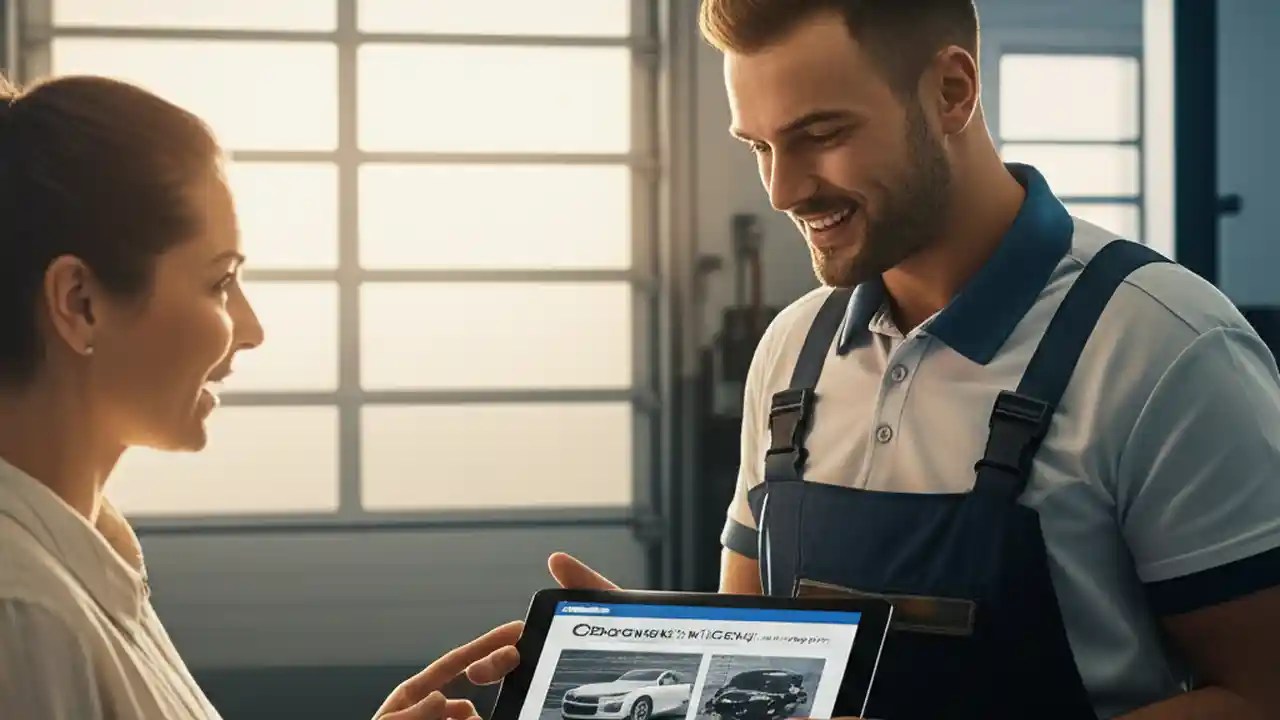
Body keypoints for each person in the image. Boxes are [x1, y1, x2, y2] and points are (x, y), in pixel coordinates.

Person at [536, 1, 1280, 718]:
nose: (783, 190)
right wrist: (655, 662)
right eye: (759, 147)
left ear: (951, 92)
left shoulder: (1167, 350)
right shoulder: (793, 351)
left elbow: (1262, 697)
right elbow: (757, 646)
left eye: (820, 134)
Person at [0, 74, 518, 719]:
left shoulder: (82, 567)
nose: (250, 330)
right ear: (80, 303)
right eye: (219, 282)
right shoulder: (23, 612)